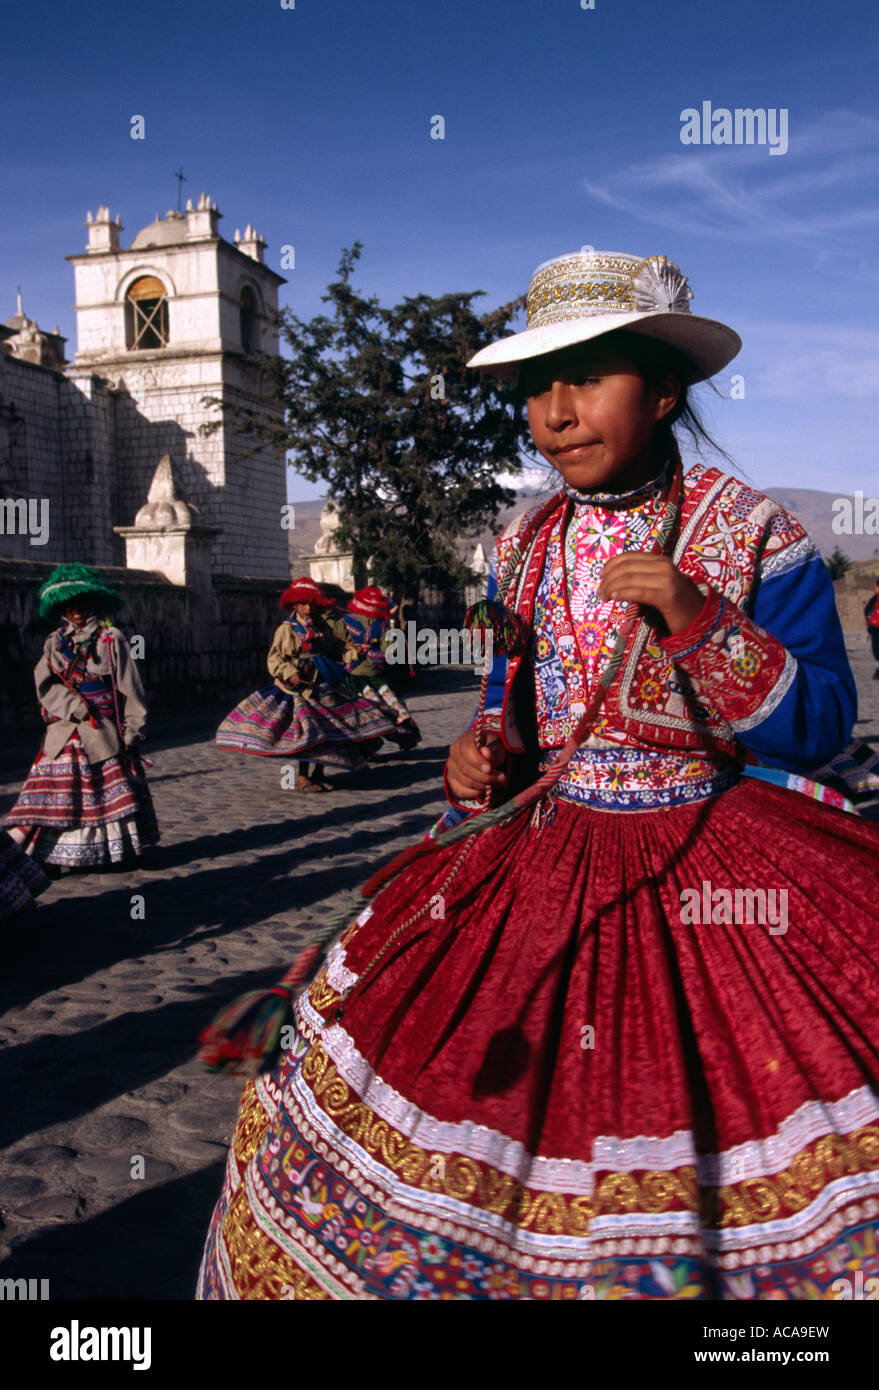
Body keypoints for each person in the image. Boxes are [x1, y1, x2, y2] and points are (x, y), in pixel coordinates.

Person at [196, 249, 879, 1301]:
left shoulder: (756, 537)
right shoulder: (520, 548)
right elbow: (506, 708)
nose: (557, 412)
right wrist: (480, 760)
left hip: (715, 859)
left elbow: (823, 724)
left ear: (662, 388)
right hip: (545, 852)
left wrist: (700, 622)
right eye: (536, 387)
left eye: (590, 377)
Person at [5, 564, 158, 871]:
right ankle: (49, 854)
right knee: (54, 793)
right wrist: (72, 706)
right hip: (63, 732)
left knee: (104, 795)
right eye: (70, 606)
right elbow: (45, 685)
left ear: (93, 604)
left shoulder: (110, 639)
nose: (76, 611)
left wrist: (131, 732)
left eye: (82, 605)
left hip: (103, 732)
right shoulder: (54, 643)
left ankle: (111, 853)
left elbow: (131, 689)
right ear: (62, 608)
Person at [215, 577, 404, 792]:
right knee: (307, 733)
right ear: (294, 604)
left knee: (326, 731)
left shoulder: (322, 627)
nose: (308, 607)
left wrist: (353, 652)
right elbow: (274, 659)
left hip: (320, 685)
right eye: (303, 603)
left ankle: (319, 773)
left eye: (311, 603)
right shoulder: (286, 630)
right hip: (297, 690)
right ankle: (302, 777)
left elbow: (335, 649)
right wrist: (290, 672)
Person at [335, 586, 421, 749]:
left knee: (359, 712)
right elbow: (390, 651)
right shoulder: (380, 625)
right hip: (376, 676)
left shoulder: (344, 623)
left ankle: (366, 745)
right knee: (391, 706)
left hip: (350, 674)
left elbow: (334, 644)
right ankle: (402, 736)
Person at [865, 577, 879, 679]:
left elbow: (867, 611)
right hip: (875, 628)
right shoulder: (875, 599)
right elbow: (867, 611)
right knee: (877, 651)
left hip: (874, 628)